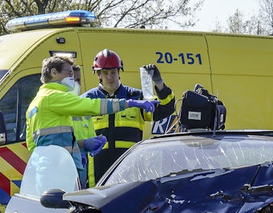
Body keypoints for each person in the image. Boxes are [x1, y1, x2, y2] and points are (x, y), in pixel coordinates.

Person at [25, 56, 154, 187]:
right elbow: (92, 106)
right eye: (68, 73)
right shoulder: (53, 97)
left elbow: (32, 144)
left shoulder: (35, 103)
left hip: (49, 171)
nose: (71, 78)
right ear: (53, 72)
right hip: (61, 173)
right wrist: (128, 103)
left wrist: (80, 146)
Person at [82, 50, 176, 184]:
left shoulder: (136, 97)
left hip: (129, 167)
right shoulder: (88, 99)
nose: (110, 77)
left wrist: (159, 83)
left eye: (113, 72)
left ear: (119, 72)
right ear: (98, 74)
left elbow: (166, 108)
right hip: (97, 169)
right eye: (105, 73)